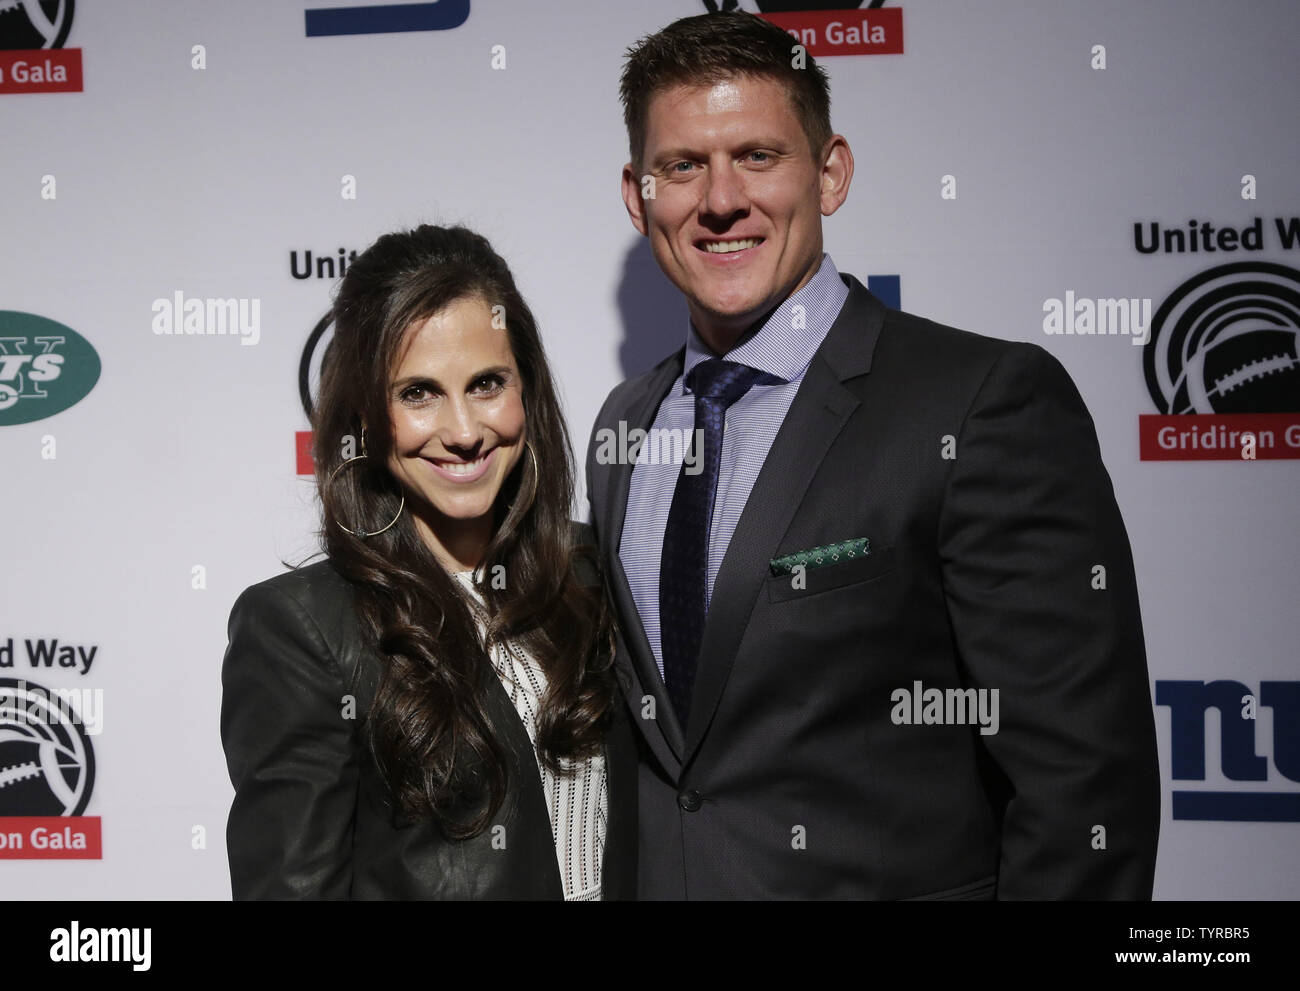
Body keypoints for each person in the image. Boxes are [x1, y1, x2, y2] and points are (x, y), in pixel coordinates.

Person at [585, 12, 1160, 899]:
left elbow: (1085, 792)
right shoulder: (626, 424)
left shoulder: (980, 400)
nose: (721, 199)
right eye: (683, 166)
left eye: (759, 156)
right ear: (637, 194)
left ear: (831, 171)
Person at [222, 224, 636, 899]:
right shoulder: (302, 630)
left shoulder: (589, 575)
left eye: (486, 383)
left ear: (525, 389)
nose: (465, 430)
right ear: (365, 417)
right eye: (418, 393)